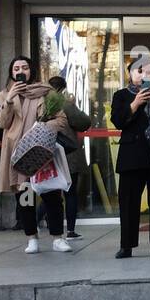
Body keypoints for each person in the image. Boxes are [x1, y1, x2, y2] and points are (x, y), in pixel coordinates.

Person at [0, 57, 72, 253]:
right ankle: (32, 238)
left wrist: (44, 128)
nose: (21, 71)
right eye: (17, 68)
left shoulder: (45, 92)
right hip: (18, 155)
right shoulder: (4, 95)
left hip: (41, 152)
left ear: (32, 71)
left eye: (25, 67)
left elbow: (61, 120)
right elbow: (2, 123)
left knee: (52, 194)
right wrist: (10, 98)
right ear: (11, 73)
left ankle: (58, 237)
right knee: (25, 197)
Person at [111, 54, 150, 258]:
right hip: (132, 156)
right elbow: (119, 121)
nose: (144, 75)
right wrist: (136, 103)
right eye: (140, 71)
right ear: (130, 74)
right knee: (129, 202)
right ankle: (126, 245)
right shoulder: (121, 95)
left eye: (149, 72)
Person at [48, 76, 89, 240]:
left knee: (49, 192)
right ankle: (70, 230)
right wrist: (72, 104)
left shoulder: (41, 104)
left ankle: (36, 222)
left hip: (47, 155)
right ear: (63, 89)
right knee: (70, 193)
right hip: (67, 155)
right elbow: (85, 122)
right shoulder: (65, 104)